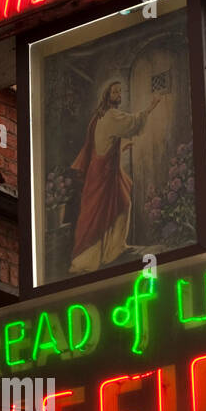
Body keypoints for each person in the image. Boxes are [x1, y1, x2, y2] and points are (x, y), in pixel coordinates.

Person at [69, 79, 165, 274]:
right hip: (103, 173)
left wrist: (121, 146)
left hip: (104, 170)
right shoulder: (111, 115)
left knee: (116, 206)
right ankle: (93, 257)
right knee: (102, 213)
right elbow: (133, 123)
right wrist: (151, 107)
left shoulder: (99, 117)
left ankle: (113, 249)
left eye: (120, 91)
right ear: (107, 95)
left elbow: (103, 143)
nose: (119, 95)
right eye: (115, 92)